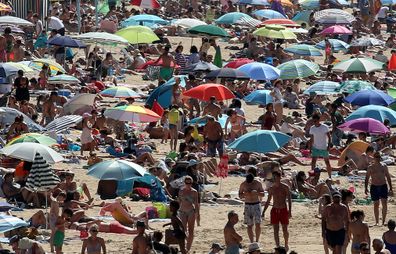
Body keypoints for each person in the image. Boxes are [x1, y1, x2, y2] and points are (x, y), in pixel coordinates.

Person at [262, 171, 292, 250]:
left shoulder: (285, 187)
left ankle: (286, 243)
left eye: (276, 177)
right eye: (273, 177)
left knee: (285, 228)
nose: (274, 179)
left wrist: (290, 211)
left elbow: (289, 199)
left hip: (283, 209)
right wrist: (264, 211)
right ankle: (278, 245)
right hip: (275, 210)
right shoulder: (271, 188)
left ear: (279, 177)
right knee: (275, 229)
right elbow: (268, 201)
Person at [365, 152, 393, 226]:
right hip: (374, 186)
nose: (377, 158)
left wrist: (391, 187)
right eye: (376, 157)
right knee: (376, 204)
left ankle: (383, 221)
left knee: (384, 204)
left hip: (383, 185)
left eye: (378, 157)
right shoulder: (370, 167)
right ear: (373, 158)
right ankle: (377, 221)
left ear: (380, 158)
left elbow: (388, 177)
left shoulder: (384, 166)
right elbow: (367, 178)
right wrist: (365, 187)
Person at [238, 169, 264, 243]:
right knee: (249, 225)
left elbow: (263, 194)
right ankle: (252, 241)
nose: (249, 184)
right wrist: (245, 194)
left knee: (258, 224)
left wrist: (257, 193)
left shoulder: (258, 183)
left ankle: (257, 240)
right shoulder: (243, 184)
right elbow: (240, 195)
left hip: (256, 204)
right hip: (248, 204)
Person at [178, 176, 200, 251]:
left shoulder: (194, 192)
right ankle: (185, 245)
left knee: (191, 230)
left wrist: (198, 214)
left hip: (191, 211)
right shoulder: (181, 191)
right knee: (183, 230)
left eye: (190, 183)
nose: (188, 184)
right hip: (182, 211)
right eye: (187, 183)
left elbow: (196, 204)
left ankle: (188, 248)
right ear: (184, 183)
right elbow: (179, 202)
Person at [309, 113, 332, 178]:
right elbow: (311, 139)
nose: (314, 122)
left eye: (315, 121)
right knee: (313, 162)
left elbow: (329, 137)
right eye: (313, 121)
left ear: (319, 120)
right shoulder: (312, 128)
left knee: (327, 162)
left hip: (324, 147)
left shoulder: (324, 127)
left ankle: (330, 176)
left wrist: (328, 146)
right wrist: (310, 148)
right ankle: (312, 176)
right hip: (315, 147)